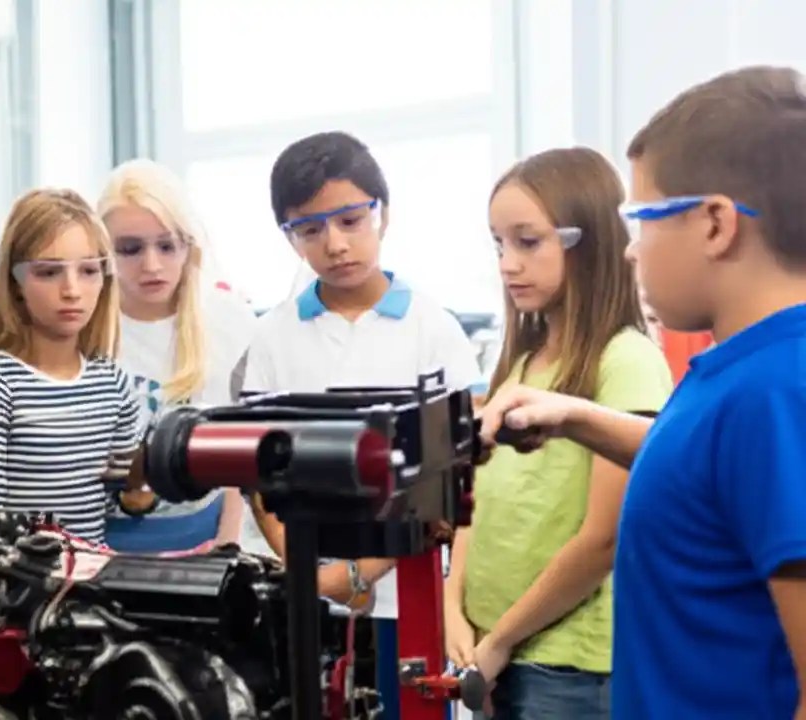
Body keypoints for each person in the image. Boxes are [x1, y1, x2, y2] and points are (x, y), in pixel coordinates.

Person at [477, 66, 806, 719]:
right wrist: (576, 418)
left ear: (715, 224)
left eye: (645, 219)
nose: (630, 252)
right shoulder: (739, 374)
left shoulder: (775, 393)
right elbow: (705, 473)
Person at [241, 131, 482, 714]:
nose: (335, 244)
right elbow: (257, 466)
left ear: (384, 213)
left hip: (408, 595)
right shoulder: (274, 334)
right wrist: (302, 569)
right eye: (310, 229)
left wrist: (359, 571)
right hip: (303, 600)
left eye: (351, 219)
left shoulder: (432, 327)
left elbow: (453, 477)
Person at [442, 148, 673, 718]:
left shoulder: (627, 362)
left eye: (528, 241)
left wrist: (500, 642)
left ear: (588, 239)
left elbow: (603, 539)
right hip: (492, 649)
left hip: (564, 662)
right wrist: (455, 604)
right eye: (499, 244)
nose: (507, 264)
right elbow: (480, 494)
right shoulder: (520, 363)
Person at [0, 188, 141, 545]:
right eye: (49, 272)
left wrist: (149, 481)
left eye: (88, 270)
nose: (72, 290)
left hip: (90, 589)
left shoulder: (112, 382)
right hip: (14, 594)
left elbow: (125, 498)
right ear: (16, 283)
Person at [96, 158, 256, 553]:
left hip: (203, 534)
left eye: (166, 246)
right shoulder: (83, 323)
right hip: (100, 541)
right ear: (104, 252)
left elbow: (240, 448)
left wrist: (227, 544)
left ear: (188, 245)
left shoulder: (227, 318)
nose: (152, 265)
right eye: (130, 249)